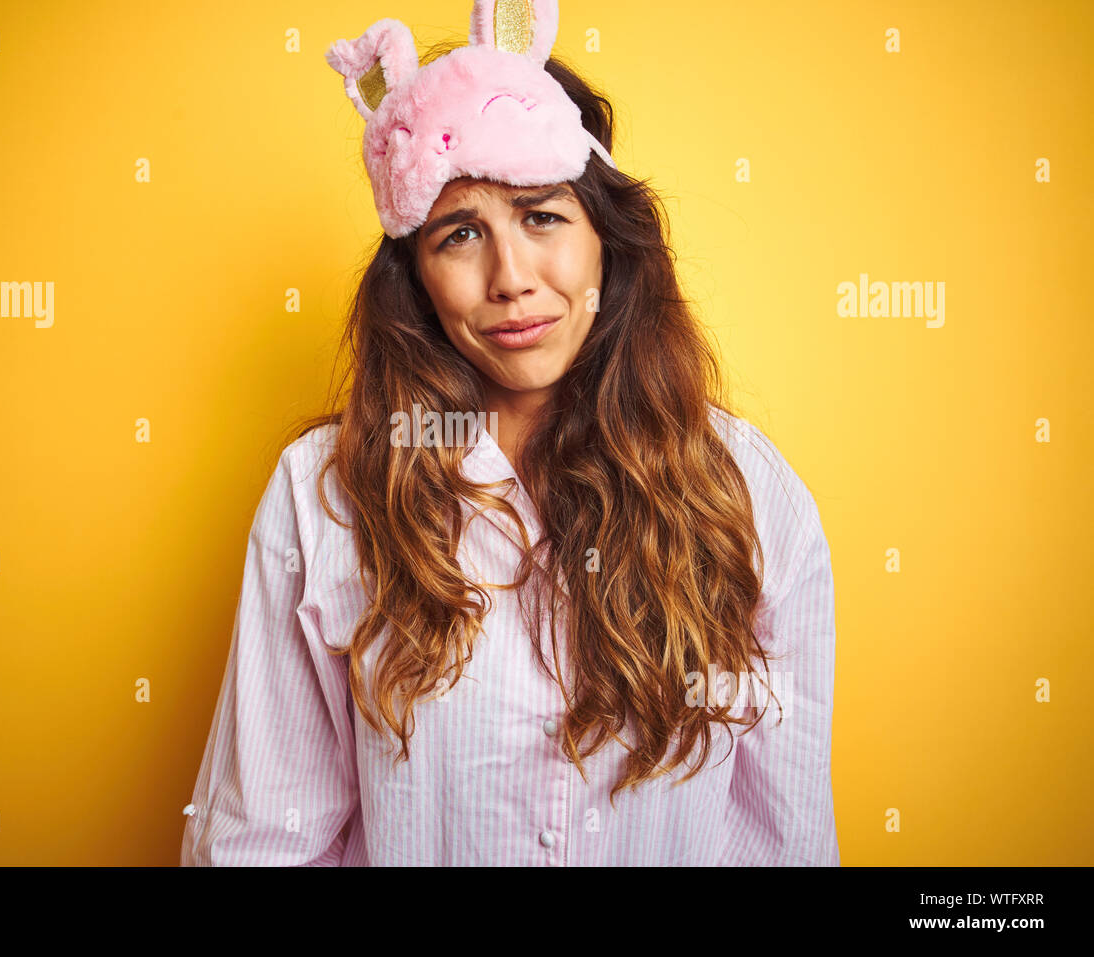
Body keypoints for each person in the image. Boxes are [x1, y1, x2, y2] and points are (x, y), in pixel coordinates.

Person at [181, 0, 840, 866]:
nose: (511, 279)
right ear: (415, 277)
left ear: (608, 239)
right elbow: (260, 842)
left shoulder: (748, 497)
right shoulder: (324, 496)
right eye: (461, 234)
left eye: (542, 216)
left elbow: (782, 842)